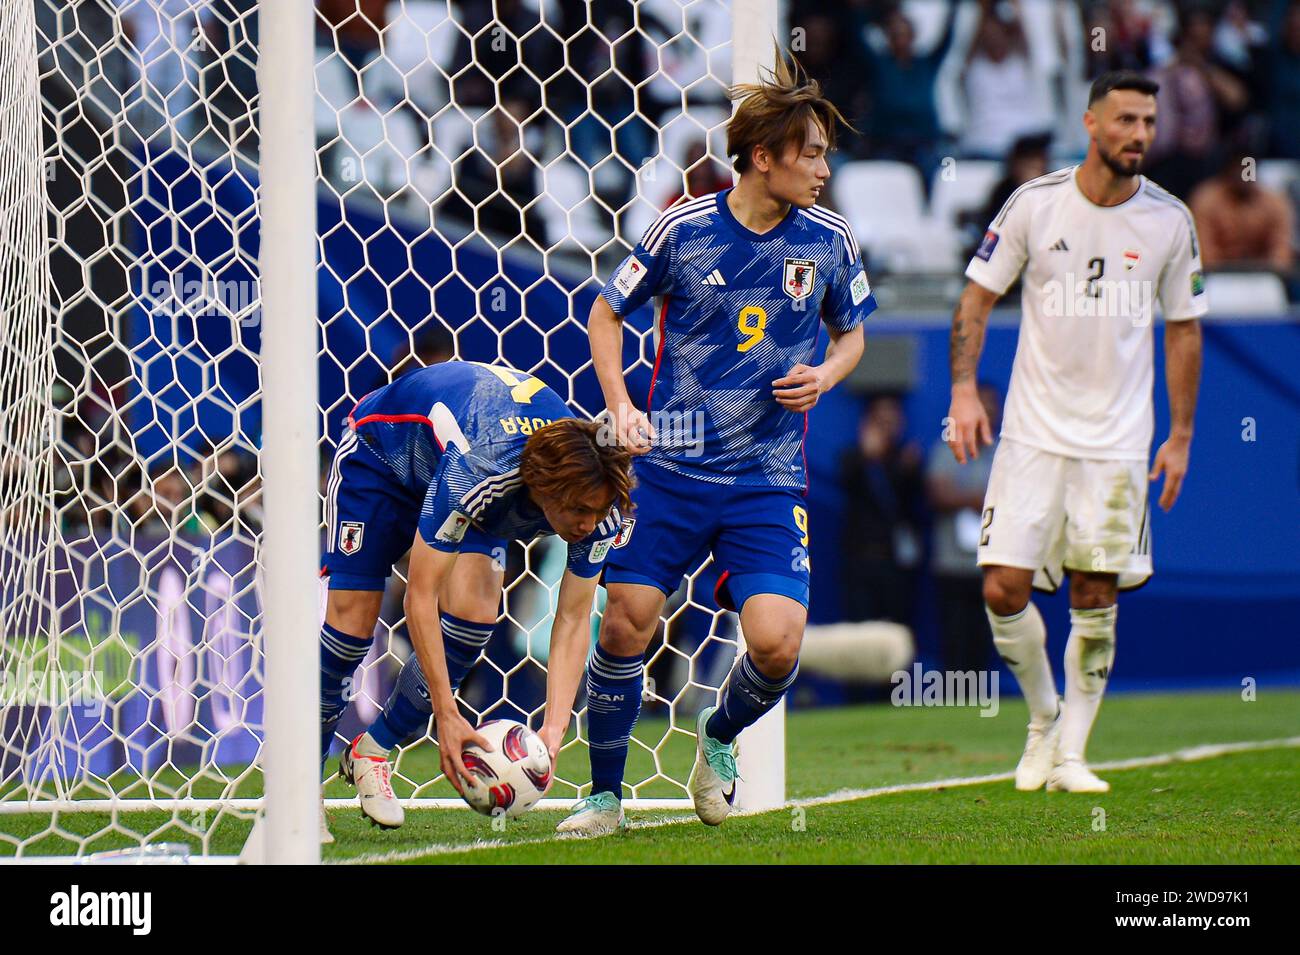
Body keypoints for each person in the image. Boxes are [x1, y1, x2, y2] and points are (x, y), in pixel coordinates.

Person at [561, 51, 874, 835]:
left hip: (767, 475)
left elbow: (854, 336)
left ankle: (718, 735)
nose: (824, 171)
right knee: (627, 618)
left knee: (777, 641)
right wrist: (621, 407)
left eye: (826, 156)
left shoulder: (829, 241)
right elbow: (606, 313)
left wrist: (827, 375)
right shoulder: (683, 230)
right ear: (762, 157)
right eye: (811, 154)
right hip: (669, 464)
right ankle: (604, 796)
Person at [947, 71, 1206, 793]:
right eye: (1126, 120)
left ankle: (1073, 754)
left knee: (1096, 592)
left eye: (1149, 121)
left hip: (1118, 441)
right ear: (1091, 123)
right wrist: (964, 388)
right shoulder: (1035, 204)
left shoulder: (1170, 221)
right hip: (1032, 432)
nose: (1141, 135)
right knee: (1002, 586)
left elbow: (1184, 330)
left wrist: (1180, 433)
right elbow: (977, 294)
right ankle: (1041, 717)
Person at [318, 360, 633, 838]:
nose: (589, 524)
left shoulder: (599, 502)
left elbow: (571, 618)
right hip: (381, 459)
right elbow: (418, 599)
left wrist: (554, 727)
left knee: (475, 616)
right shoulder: (483, 471)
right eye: (578, 512)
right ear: (546, 490)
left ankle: (373, 750)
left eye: (597, 510)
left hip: (464, 472)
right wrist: (447, 714)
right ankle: (299, 787)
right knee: (351, 629)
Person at [926, 383, 1002, 674]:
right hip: (951, 564)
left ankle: (981, 699)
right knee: (954, 636)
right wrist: (978, 499)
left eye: (992, 405)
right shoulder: (947, 450)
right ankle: (955, 700)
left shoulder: (1001, 453)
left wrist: (971, 499)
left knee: (986, 639)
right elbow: (937, 494)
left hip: (991, 564)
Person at [838, 395, 925, 625]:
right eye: (880, 421)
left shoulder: (908, 459)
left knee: (898, 626)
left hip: (897, 562)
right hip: (860, 559)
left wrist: (906, 470)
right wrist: (868, 457)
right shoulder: (852, 458)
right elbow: (848, 482)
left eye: (891, 421)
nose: (886, 428)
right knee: (860, 628)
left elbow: (915, 501)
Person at [1189, 150, 1295, 272]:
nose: (1244, 176)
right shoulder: (1206, 199)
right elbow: (1204, 250)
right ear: (1228, 172)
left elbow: (1281, 250)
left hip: (1263, 274)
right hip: (1217, 275)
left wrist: (1271, 268)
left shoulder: (1274, 202)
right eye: (1239, 170)